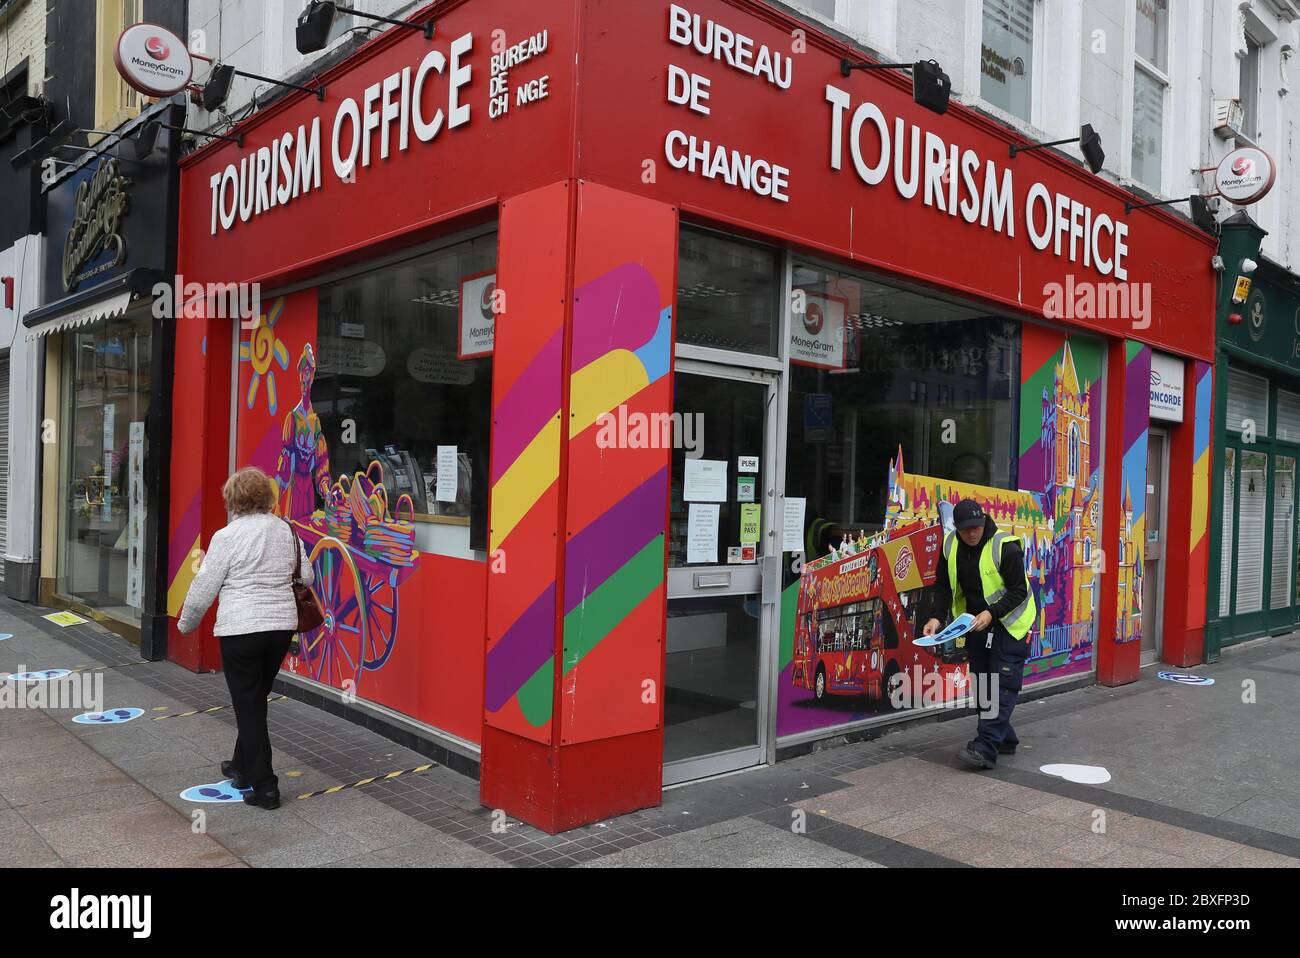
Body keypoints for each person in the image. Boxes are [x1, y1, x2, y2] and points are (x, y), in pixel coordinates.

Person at [177, 466, 314, 809]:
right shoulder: (287, 531)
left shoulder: (226, 537)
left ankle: (265, 787)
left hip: (241, 631)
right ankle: (240, 766)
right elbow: (307, 575)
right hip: (279, 630)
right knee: (253, 701)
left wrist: (185, 624)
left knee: (249, 708)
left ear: (233, 499)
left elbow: (204, 587)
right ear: (267, 497)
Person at [921, 498, 1036, 769]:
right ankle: (1003, 738)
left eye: (977, 527)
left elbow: (1019, 591)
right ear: (957, 528)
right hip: (975, 624)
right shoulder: (950, 545)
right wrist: (937, 616)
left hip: (1010, 624)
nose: (972, 533)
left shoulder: (1004, 547)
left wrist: (992, 613)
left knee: (1003, 685)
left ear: (984, 521)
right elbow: (942, 585)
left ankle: (985, 748)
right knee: (983, 682)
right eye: (966, 529)